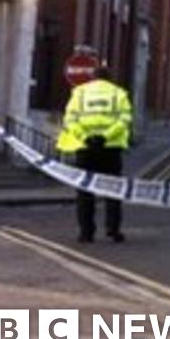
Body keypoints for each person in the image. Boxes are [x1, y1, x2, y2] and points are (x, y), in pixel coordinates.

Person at [56, 65, 132, 243]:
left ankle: (86, 232)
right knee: (113, 190)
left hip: (86, 148)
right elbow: (124, 120)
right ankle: (113, 229)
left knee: (85, 191)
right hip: (110, 148)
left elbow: (70, 120)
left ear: (92, 77)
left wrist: (85, 137)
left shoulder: (80, 93)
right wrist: (105, 137)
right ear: (109, 78)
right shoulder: (118, 93)